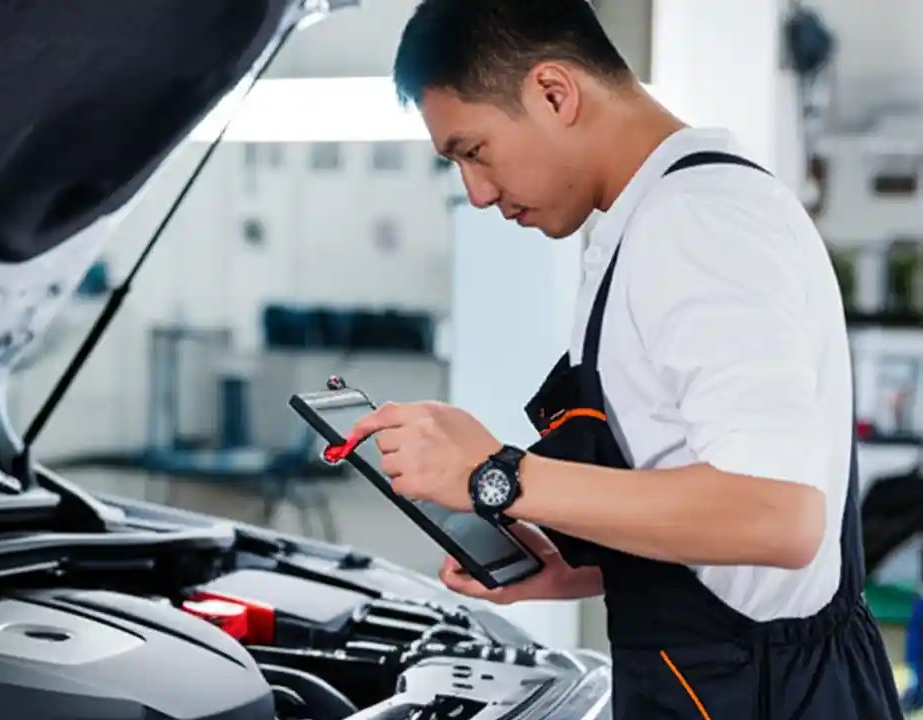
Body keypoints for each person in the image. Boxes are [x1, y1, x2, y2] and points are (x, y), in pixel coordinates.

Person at [348, 0, 904, 717]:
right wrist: (578, 571)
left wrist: (496, 476)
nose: (477, 193)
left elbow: (778, 516)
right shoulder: (653, 220)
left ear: (554, 92)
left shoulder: (697, 223)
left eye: (473, 151)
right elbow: (706, 496)